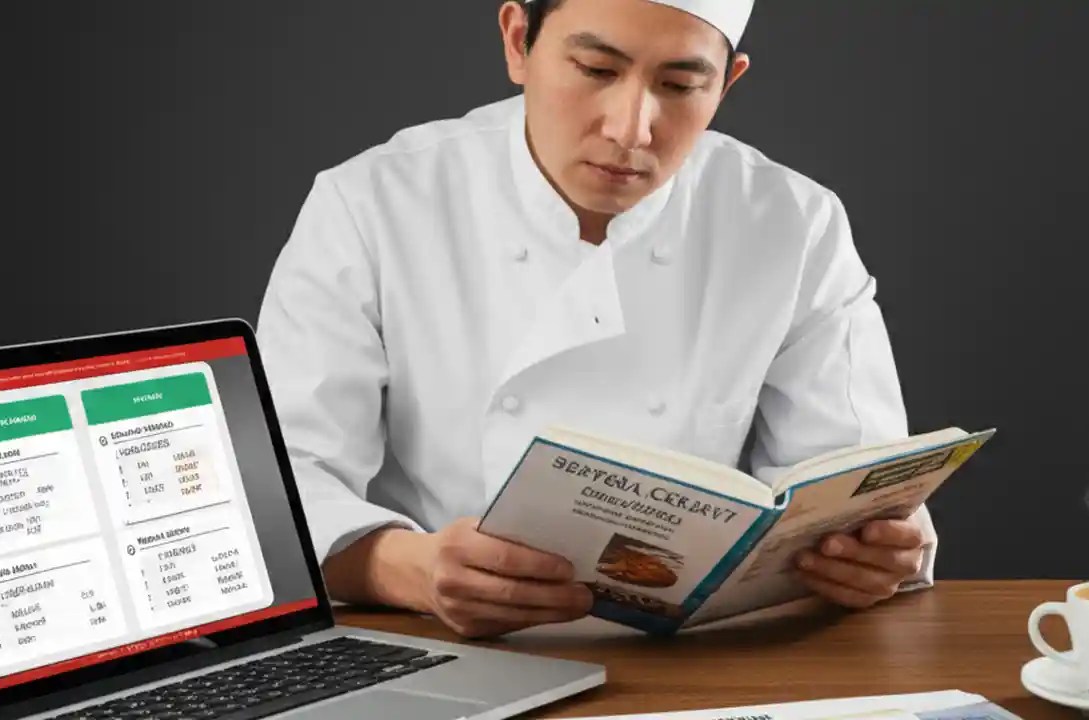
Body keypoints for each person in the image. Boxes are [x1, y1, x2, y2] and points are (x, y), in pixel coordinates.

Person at [256, 0, 937, 639]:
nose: (629, 128)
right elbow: (282, 488)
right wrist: (411, 569)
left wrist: (877, 551)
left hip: (710, 661)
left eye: (678, 85)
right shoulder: (374, 203)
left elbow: (853, 478)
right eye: (595, 70)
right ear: (518, 41)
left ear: (727, 82)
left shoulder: (792, 223)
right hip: (449, 644)